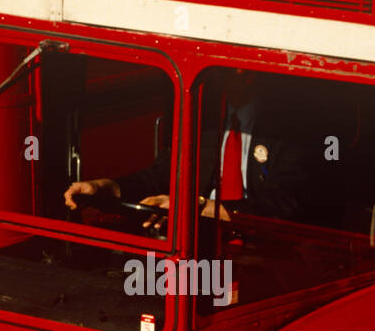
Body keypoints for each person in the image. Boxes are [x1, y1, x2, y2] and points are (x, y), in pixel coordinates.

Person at [63, 71, 315, 231]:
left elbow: (283, 202)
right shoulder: (202, 114)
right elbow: (163, 173)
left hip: (258, 243)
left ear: (247, 74)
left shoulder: (286, 128)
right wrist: (107, 187)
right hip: (196, 234)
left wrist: (201, 207)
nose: (221, 80)